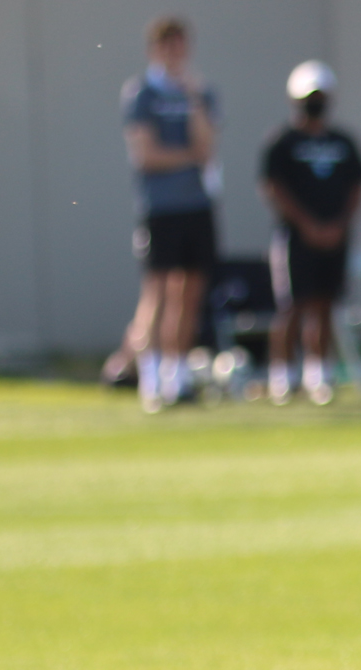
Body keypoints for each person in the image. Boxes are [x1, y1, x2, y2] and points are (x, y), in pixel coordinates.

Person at [121, 16, 218, 413]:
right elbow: (146, 155)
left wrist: (193, 101)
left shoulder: (199, 92)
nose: (175, 54)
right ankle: (151, 376)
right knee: (157, 293)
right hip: (160, 209)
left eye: (180, 46)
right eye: (167, 46)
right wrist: (186, 157)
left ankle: (177, 377)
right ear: (155, 50)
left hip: (197, 206)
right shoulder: (141, 92)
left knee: (190, 293)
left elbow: (207, 148)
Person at [260, 61, 361, 406]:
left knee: (325, 304)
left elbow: (358, 185)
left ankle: (318, 373)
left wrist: (339, 224)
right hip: (296, 237)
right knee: (292, 305)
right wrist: (307, 225)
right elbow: (273, 186)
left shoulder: (343, 141)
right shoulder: (284, 141)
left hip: (335, 235)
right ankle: (282, 375)